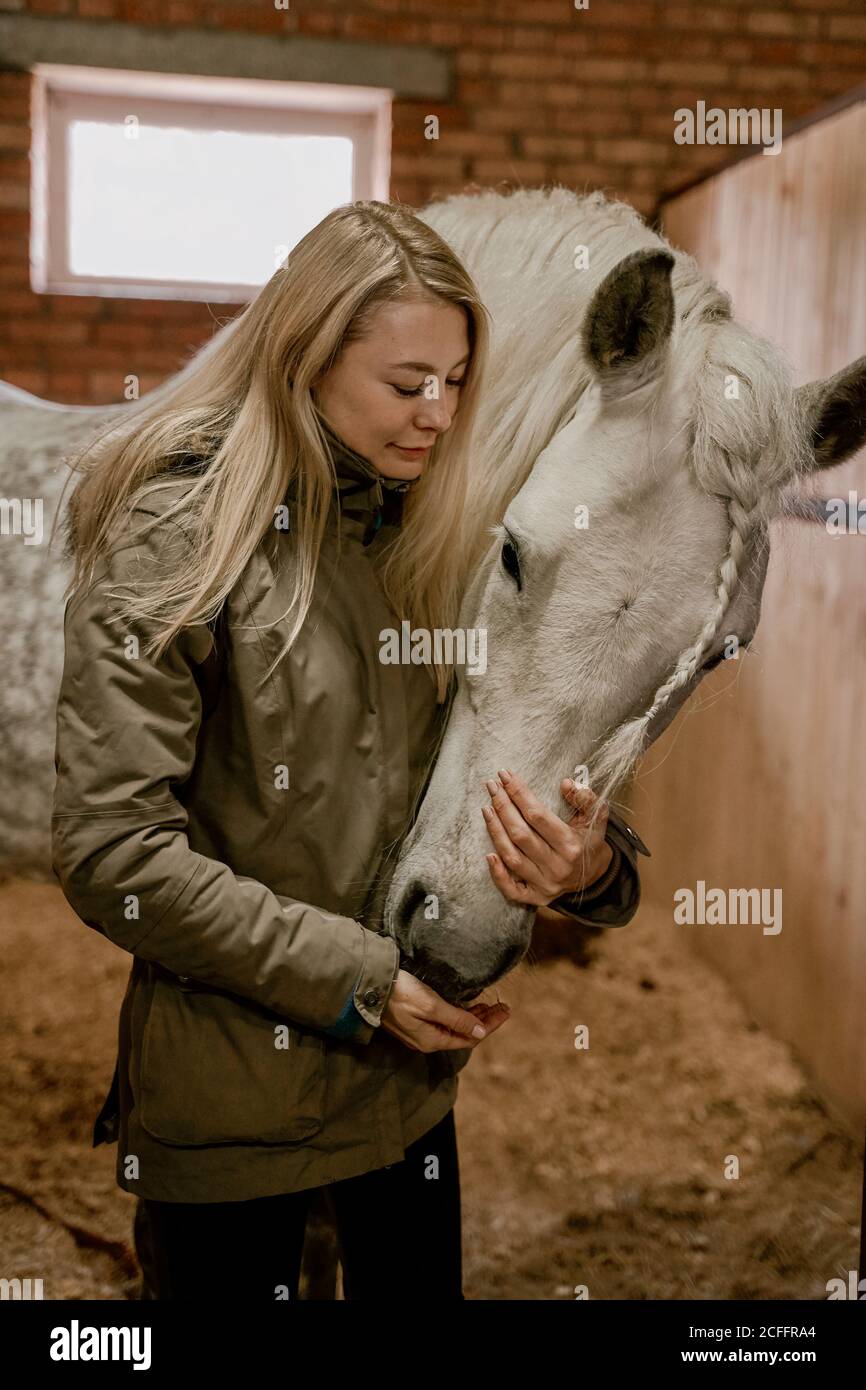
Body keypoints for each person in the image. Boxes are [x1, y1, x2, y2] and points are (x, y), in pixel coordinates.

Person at [51, 200, 645, 1302]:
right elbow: (112, 854)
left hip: (406, 1099)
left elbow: (498, 770)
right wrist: (361, 981)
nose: (438, 413)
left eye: (457, 380)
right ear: (303, 356)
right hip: (231, 1121)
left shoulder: (429, 531)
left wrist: (591, 865)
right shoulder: (177, 530)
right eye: (405, 381)